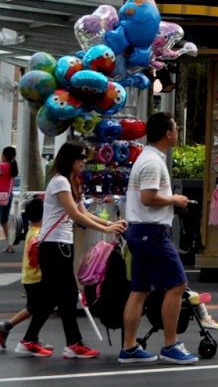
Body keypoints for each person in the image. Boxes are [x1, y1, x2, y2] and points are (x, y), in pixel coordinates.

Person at [20, 143, 126, 358]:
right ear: (70, 159)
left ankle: (33, 340)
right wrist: (107, 228)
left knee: (57, 297)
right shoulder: (60, 181)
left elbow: (83, 212)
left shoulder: (71, 182)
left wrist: (109, 224)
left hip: (60, 246)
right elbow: (76, 216)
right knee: (65, 296)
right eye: (81, 158)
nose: (84, 162)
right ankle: (71, 343)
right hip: (54, 247)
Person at [119, 112, 208, 363]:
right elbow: (148, 198)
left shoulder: (146, 158)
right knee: (177, 285)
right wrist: (174, 199)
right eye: (176, 128)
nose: (177, 132)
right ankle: (170, 344)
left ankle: (129, 347)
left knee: (139, 290)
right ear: (168, 133)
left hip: (139, 231)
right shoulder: (152, 162)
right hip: (152, 233)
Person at [0, 196, 44, 351]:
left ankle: (8, 328)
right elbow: (36, 261)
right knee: (39, 309)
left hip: (29, 277)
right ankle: (26, 337)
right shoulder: (38, 236)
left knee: (33, 308)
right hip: (36, 277)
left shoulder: (32, 231)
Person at [0, 145, 16, 251]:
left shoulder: (2, 166)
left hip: (1, 195)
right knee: (4, 221)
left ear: (4, 156)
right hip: (8, 196)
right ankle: (10, 245)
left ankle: (10, 245)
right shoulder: (13, 167)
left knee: (3, 221)